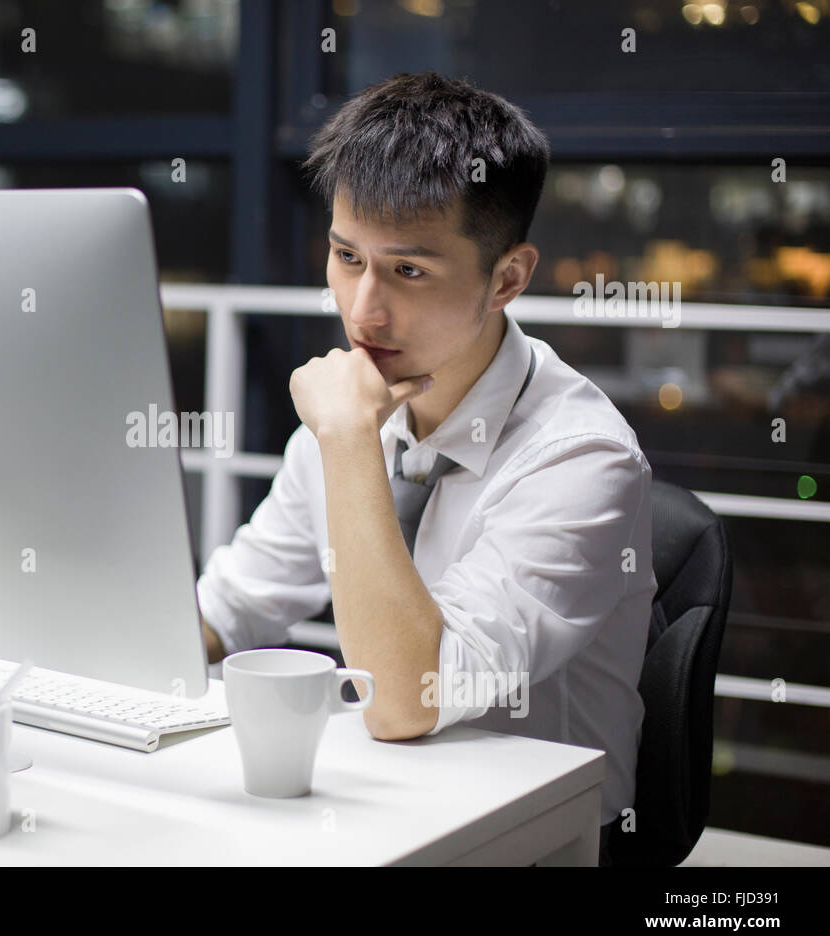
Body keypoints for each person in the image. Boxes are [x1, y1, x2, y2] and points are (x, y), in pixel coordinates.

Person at [195, 72, 657, 866]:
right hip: (380, 806)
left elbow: (410, 698)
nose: (362, 311)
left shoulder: (582, 457)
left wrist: (346, 444)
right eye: (346, 257)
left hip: (538, 842)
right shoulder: (360, 407)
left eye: (408, 271)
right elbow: (234, 607)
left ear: (507, 278)